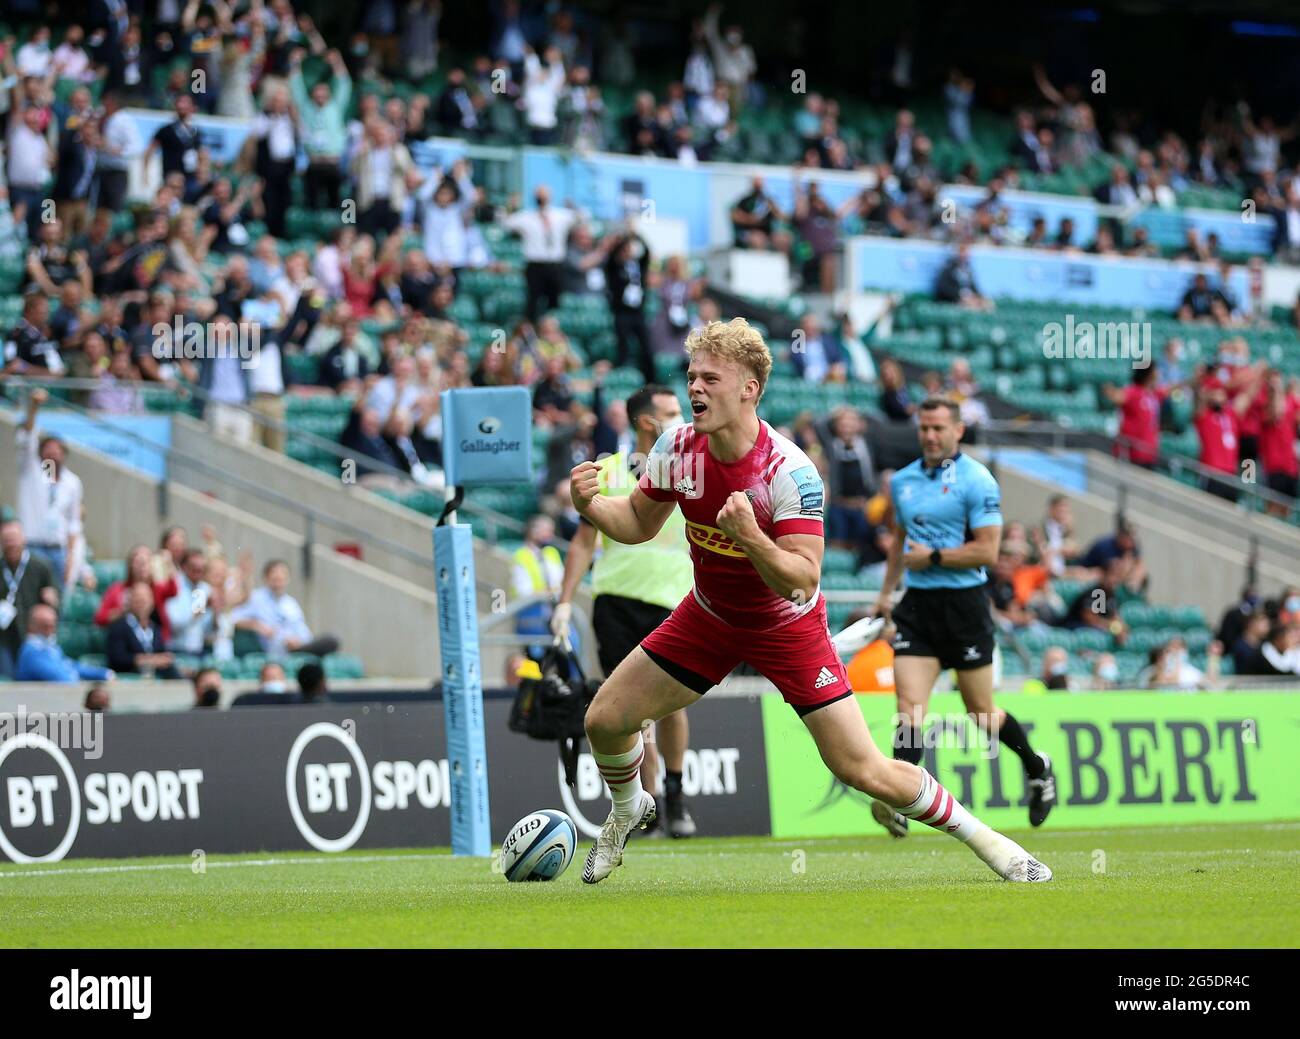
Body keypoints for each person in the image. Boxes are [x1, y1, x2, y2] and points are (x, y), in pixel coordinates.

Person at [571, 319, 1050, 884]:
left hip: (786, 626)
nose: (695, 389)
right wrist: (594, 506)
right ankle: (630, 810)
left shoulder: (789, 470)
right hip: (707, 615)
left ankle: (992, 843)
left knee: (861, 768)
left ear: (749, 388)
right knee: (604, 721)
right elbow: (637, 523)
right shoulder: (676, 448)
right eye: (692, 377)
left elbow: (801, 579)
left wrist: (751, 538)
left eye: (711, 379)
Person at [871, 397, 1056, 837]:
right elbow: (899, 543)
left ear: (958, 431)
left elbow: (988, 551)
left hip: (965, 607)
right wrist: (885, 595)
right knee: (910, 710)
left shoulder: (978, 480)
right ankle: (900, 801)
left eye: (938, 428)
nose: (931, 436)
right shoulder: (904, 481)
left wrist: (932, 556)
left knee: (982, 713)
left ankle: (1037, 767)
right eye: (924, 428)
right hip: (917, 607)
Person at [552, 385, 698, 838]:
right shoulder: (607, 472)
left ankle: (675, 798)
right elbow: (582, 541)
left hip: (675, 604)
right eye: (670, 412)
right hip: (615, 603)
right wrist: (562, 602)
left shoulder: (690, 470)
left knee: (672, 706)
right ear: (644, 422)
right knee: (633, 710)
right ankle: (647, 806)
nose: (680, 419)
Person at [15, 388, 84, 590]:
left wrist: (71, 556)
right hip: (32, 545)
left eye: (57, 449)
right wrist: (34, 407)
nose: (53, 452)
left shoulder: (71, 482)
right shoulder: (34, 472)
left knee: (57, 600)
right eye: (48, 447)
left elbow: (74, 523)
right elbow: (27, 438)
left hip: (58, 550)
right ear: (41, 451)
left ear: (64, 454)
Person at [231, 560, 340, 658]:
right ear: (266, 578)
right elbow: (233, 617)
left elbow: (304, 632)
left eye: (282, 578)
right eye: (275, 578)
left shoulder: (291, 603)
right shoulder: (255, 598)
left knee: (331, 640)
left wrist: (299, 642)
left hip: (297, 647)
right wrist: (256, 625)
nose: (279, 582)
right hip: (274, 649)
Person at [0, 519, 59, 679]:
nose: (11, 545)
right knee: (8, 680)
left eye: (14, 540)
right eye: (6, 541)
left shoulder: (40, 566)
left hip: (34, 636)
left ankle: (24, 706)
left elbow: (55, 601)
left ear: (23, 540)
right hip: (5, 635)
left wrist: (51, 600)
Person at [15, 603, 113, 682]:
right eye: (45, 626)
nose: (50, 631)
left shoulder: (51, 648)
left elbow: (68, 664)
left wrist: (103, 674)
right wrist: (75, 675)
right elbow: (61, 678)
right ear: (32, 627)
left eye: (52, 626)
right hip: (29, 704)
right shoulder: (31, 652)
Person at [107, 582, 179, 677]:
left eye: (145, 599)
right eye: (138, 599)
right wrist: (148, 660)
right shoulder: (119, 627)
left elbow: (162, 653)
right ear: (130, 601)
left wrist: (165, 659)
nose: (142, 603)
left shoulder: (155, 629)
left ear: (152, 602)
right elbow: (117, 658)